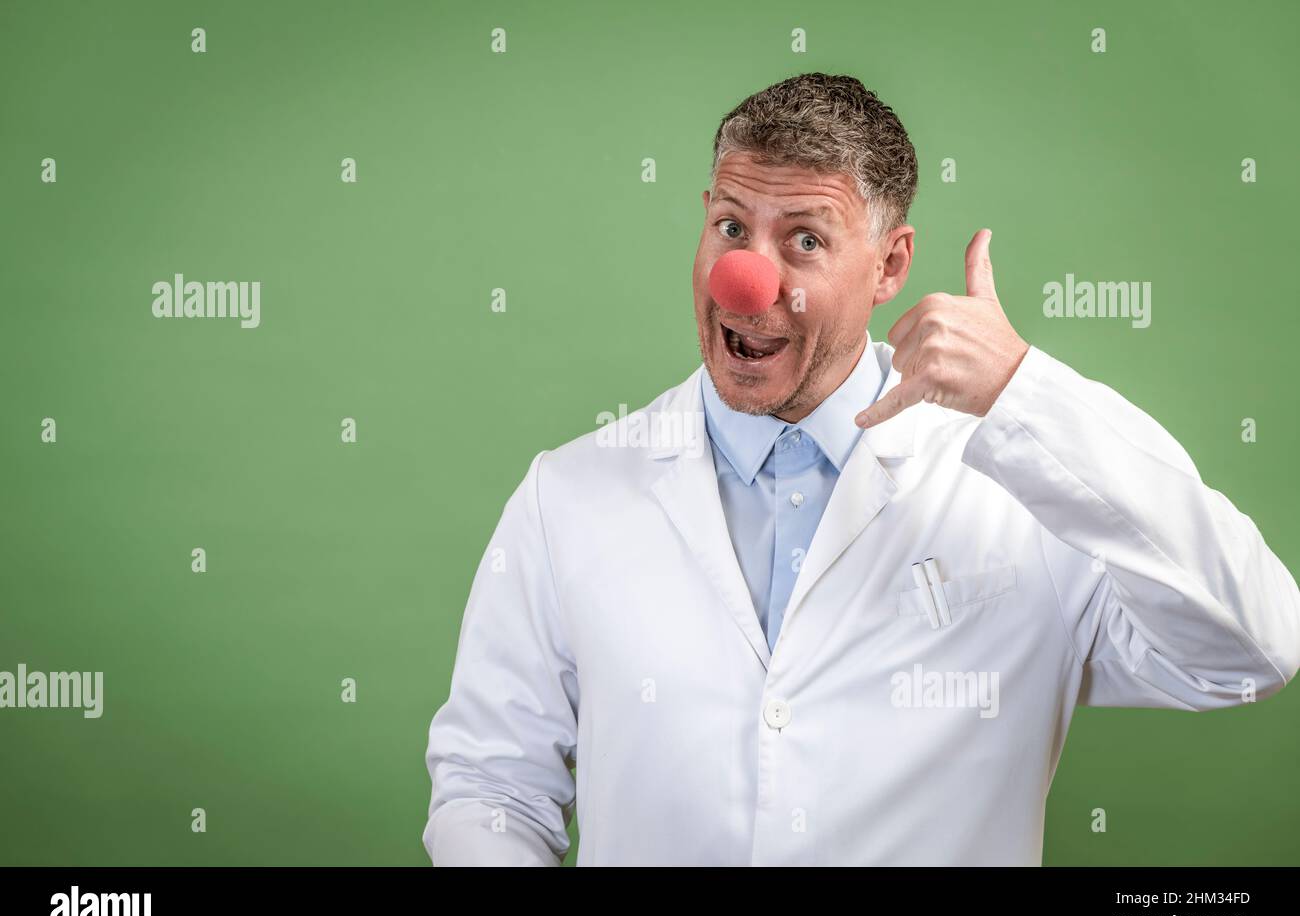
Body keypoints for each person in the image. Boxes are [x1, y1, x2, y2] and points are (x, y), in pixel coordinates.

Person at [421, 73, 1300, 866]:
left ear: (890, 266)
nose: (744, 281)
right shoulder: (568, 493)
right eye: (731, 227)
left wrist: (1026, 394)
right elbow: (489, 786)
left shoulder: (1027, 489)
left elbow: (1252, 647)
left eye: (804, 240)